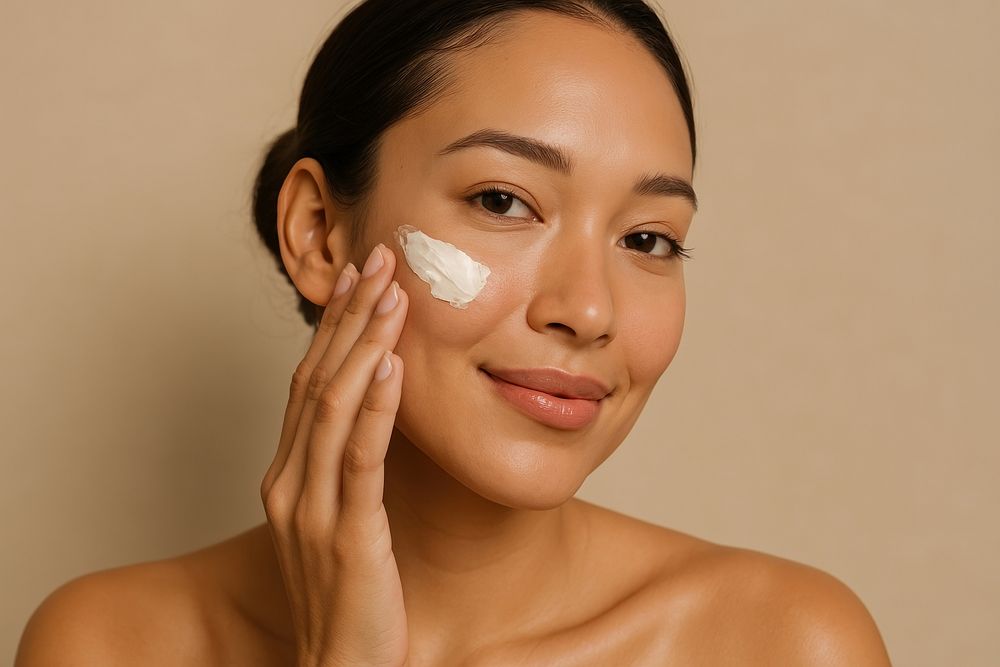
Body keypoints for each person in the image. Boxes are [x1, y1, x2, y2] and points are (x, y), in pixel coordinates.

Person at [16, 1, 892, 664]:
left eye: (648, 239)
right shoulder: (108, 643)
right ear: (319, 232)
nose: (589, 310)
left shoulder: (783, 643)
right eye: (503, 201)